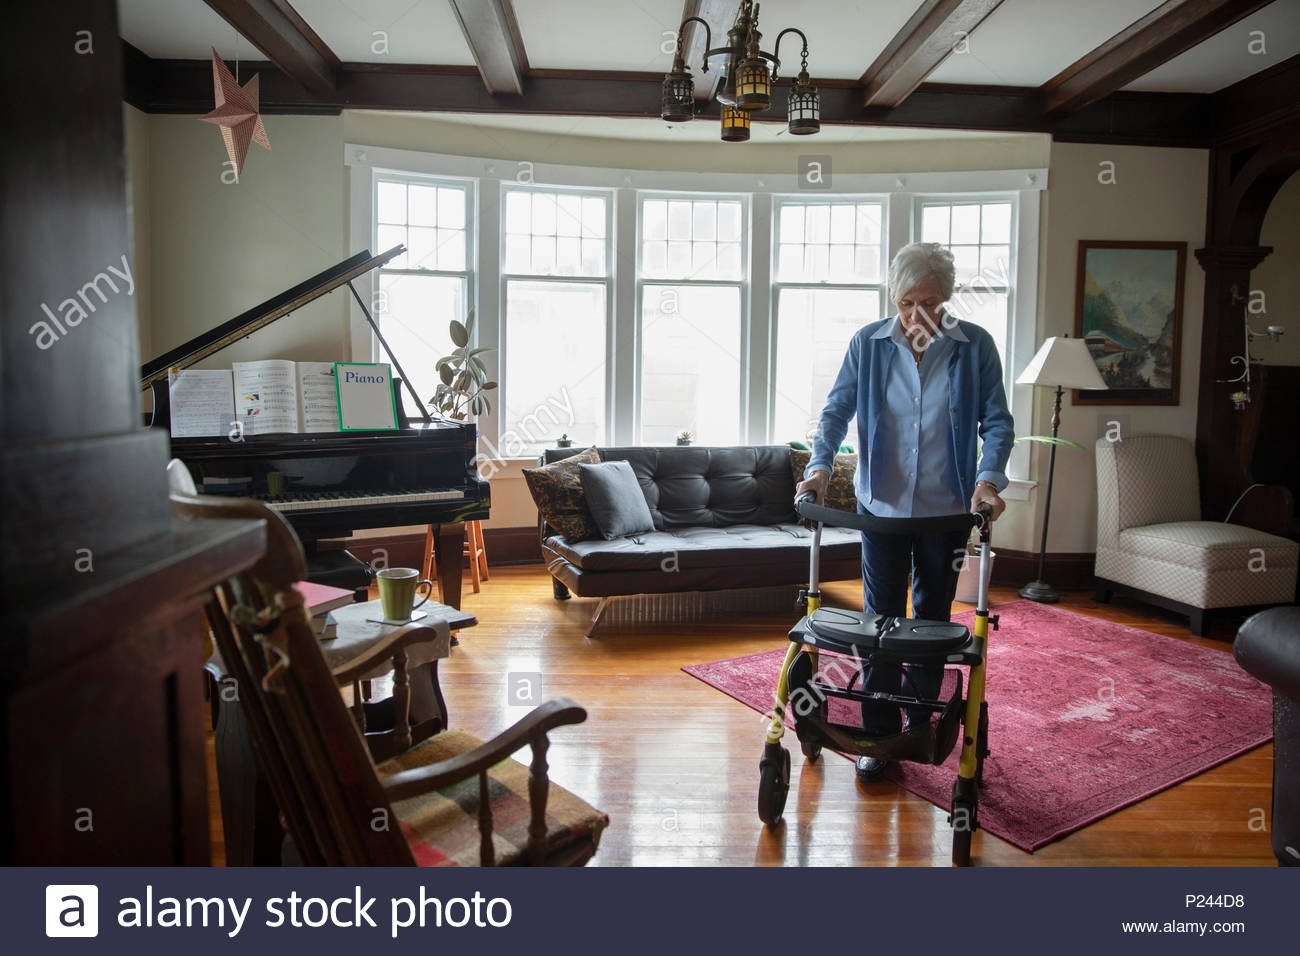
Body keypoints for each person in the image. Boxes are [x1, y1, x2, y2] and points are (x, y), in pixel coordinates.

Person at [794, 241, 1013, 781]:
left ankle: (922, 723)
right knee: (879, 624)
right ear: (893, 298)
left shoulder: (975, 346)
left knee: (933, 621)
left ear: (949, 299)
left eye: (932, 303)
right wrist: (820, 467)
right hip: (882, 510)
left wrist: (987, 482)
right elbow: (836, 412)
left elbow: (997, 422)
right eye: (908, 302)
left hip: (946, 511)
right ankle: (881, 736)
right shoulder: (867, 344)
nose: (919, 316)